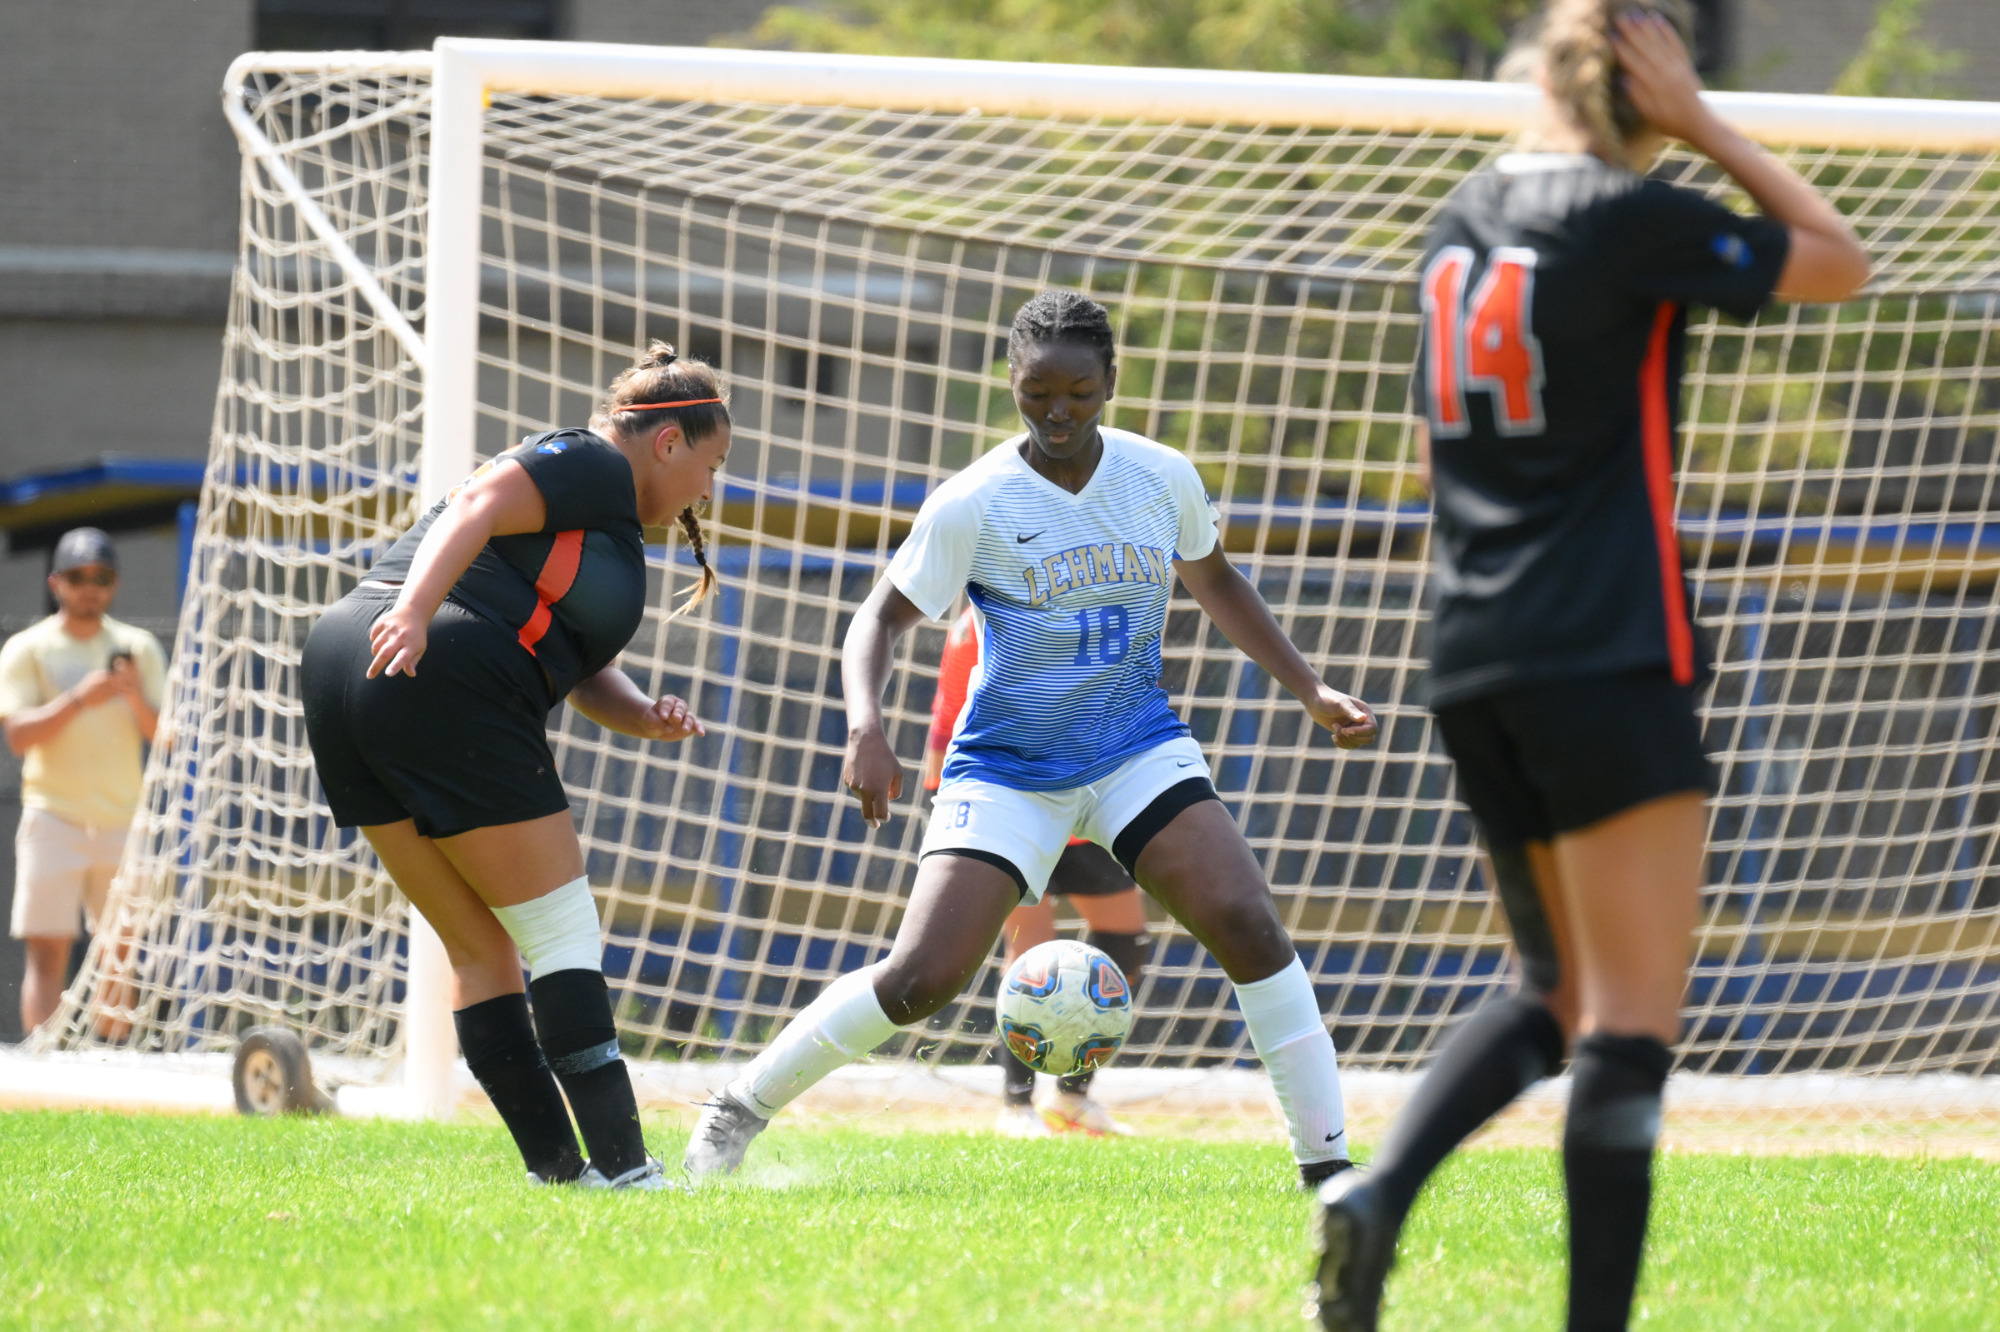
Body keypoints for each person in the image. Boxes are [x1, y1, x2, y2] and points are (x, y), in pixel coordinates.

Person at [1312, 5, 1870, 1329]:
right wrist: (1708, 126)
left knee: (1556, 993)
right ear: (1645, 92)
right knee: (1630, 1025)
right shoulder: (1627, 218)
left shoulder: (1457, 222)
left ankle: (1378, 1194)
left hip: (1472, 658)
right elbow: (1842, 261)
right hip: (1609, 650)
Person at [685, 288, 1379, 1187]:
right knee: (922, 979)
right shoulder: (973, 500)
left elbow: (1218, 582)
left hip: (1134, 745)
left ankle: (1328, 1172)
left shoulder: (1159, 476)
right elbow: (879, 622)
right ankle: (736, 1108)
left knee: (1246, 920)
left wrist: (1311, 687)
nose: (1059, 412)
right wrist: (867, 725)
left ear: (1111, 385)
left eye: (1080, 393)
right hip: (1008, 768)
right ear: (1011, 382)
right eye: (1038, 391)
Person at [301, 342, 730, 1189]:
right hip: (428, 658)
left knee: (481, 950)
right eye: (711, 464)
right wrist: (419, 612)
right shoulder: (592, 458)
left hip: (347, 667)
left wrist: (640, 712)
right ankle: (628, 1170)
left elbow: (560, 653)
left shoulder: (595, 512)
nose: (709, 490)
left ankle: (563, 1176)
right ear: (667, 443)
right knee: (562, 931)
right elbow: (480, 502)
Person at [924, 603, 1151, 1138]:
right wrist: (938, 796)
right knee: (1029, 954)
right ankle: (1017, 1105)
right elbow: (949, 714)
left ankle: (1071, 1097)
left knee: (1127, 942)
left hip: (1083, 804)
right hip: (1009, 801)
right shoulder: (977, 622)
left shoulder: (1090, 599)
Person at [1, 528, 165, 1032]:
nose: (90, 586)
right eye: (78, 577)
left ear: (114, 584)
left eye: (101, 577)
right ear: (56, 583)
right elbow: (18, 736)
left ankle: (111, 1070)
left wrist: (133, 696)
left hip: (121, 819)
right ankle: (44, 1068)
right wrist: (80, 699)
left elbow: (167, 737)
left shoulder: (137, 646)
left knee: (120, 952)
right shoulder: (28, 648)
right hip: (53, 816)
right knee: (48, 951)